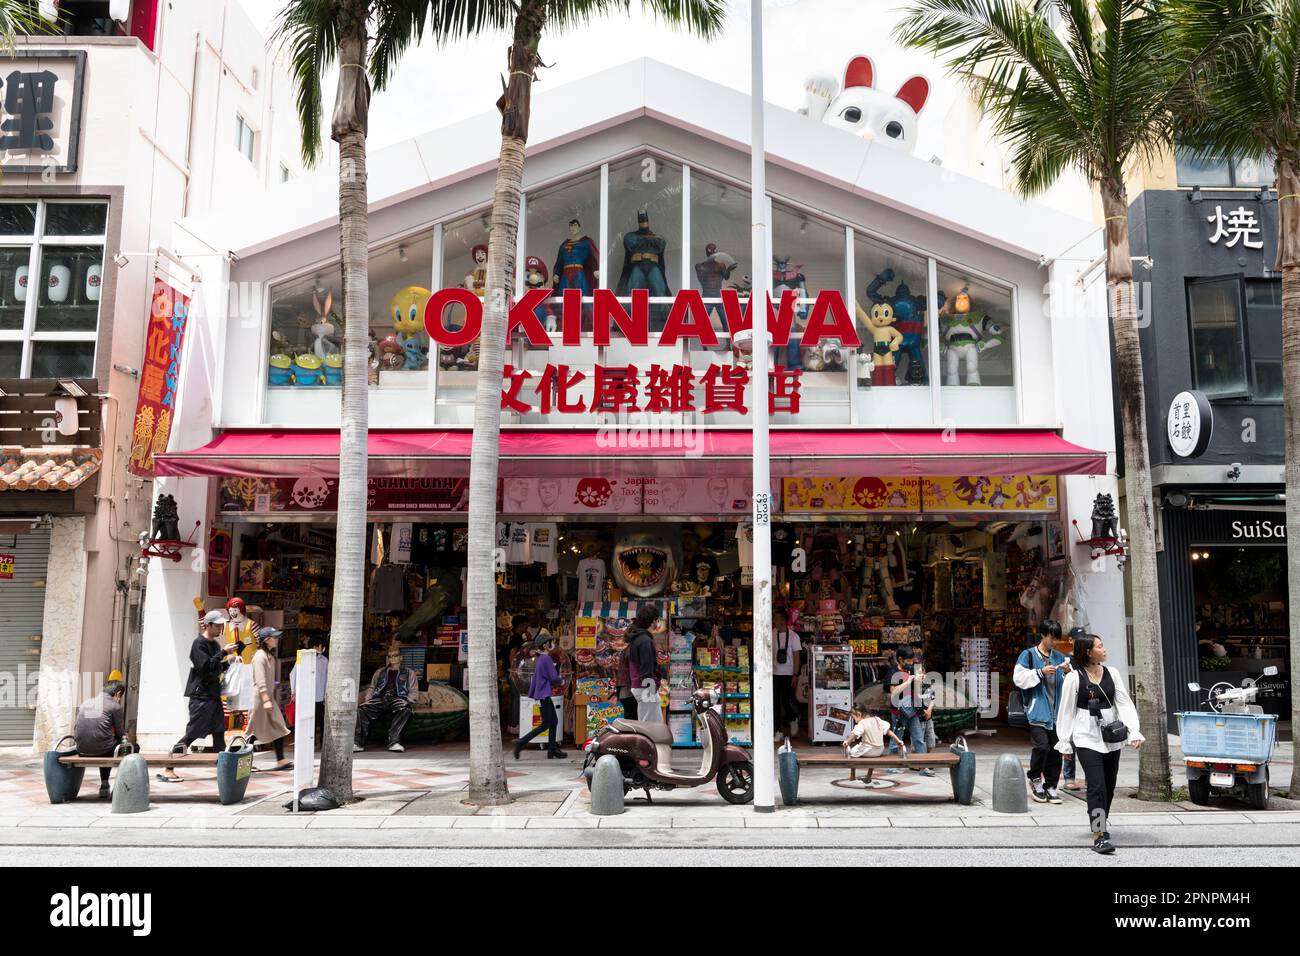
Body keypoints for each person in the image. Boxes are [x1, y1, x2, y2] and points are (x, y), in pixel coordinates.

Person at [1055, 633, 1144, 855]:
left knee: (1109, 786)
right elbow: (1065, 711)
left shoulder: (1112, 673)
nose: (1104, 649)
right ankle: (1099, 834)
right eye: (1100, 646)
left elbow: (1124, 703)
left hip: (1111, 737)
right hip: (1086, 736)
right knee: (1096, 786)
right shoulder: (1074, 678)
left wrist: (1134, 730)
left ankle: (1101, 823)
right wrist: (1065, 741)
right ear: (1088, 652)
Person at [159, 610, 241, 783]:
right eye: (217, 625)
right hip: (201, 697)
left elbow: (215, 668)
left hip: (213, 695)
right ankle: (168, 767)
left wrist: (227, 662)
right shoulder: (199, 644)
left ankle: (223, 770)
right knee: (192, 733)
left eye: (221, 625)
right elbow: (204, 669)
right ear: (208, 625)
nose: (220, 628)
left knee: (219, 732)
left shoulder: (216, 645)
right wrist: (223, 654)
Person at [1014, 619, 1070, 804]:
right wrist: (1040, 672)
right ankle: (1035, 780)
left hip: (1057, 713)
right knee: (1041, 747)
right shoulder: (1028, 655)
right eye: (1052, 638)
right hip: (1037, 711)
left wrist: (1068, 671)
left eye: (1056, 639)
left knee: (1056, 750)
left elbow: (1070, 683)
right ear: (1043, 635)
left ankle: (1051, 786)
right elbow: (1019, 679)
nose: (1054, 642)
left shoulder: (1060, 657)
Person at [354, 642, 420, 753]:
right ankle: (358, 743)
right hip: (379, 699)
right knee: (361, 709)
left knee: (405, 709)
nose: (392, 658)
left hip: (398, 699)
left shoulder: (409, 673)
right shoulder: (380, 672)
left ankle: (394, 742)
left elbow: (413, 691)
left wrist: (408, 701)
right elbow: (372, 687)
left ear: (400, 657)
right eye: (390, 656)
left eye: (395, 655)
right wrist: (369, 700)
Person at [514, 634, 566, 759]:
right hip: (544, 695)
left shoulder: (541, 658)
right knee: (546, 724)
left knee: (553, 721)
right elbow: (553, 677)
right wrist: (561, 681)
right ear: (544, 645)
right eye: (549, 642)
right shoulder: (546, 658)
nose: (551, 645)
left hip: (543, 694)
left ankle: (552, 750)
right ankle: (521, 742)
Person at [247, 627, 292, 770]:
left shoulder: (270, 657)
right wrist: (266, 699)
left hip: (267, 697)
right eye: (274, 637)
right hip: (261, 698)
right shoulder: (259, 656)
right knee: (254, 730)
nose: (277, 639)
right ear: (267, 640)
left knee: (278, 725)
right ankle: (245, 761)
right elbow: (260, 681)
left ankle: (281, 760)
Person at [73, 679, 126, 798]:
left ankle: (105, 785)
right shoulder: (115, 706)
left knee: (105, 743)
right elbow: (119, 733)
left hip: (81, 750)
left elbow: (76, 727)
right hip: (103, 751)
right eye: (120, 697)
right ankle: (119, 786)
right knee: (130, 747)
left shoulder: (85, 703)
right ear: (117, 694)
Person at [888, 645, 934, 776]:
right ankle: (893, 764)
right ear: (900, 659)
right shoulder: (892, 673)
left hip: (913, 710)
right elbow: (894, 692)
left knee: (919, 737)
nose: (910, 663)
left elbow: (921, 686)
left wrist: (921, 679)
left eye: (911, 660)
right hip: (898, 711)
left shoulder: (914, 668)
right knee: (897, 738)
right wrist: (909, 681)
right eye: (908, 661)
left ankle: (923, 766)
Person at [625, 604, 663, 722]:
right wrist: (651, 690)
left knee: (646, 722)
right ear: (653, 621)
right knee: (651, 726)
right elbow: (647, 668)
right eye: (658, 620)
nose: (658, 623)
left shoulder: (637, 638)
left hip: (639, 686)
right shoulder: (645, 640)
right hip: (646, 687)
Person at [289, 634, 329, 743]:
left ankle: (321, 742)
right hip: (306, 696)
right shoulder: (302, 657)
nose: (323, 648)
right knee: (308, 720)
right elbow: (293, 674)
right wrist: (294, 692)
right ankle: (308, 741)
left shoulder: (325, 660)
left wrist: (326, 695)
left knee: (320, 720)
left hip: (320, 696)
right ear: (315, 647)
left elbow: (327, 678)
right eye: (321, 646)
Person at [771, 609, 803, 742]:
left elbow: (796, 657)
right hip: (774, 673)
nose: (774, 621)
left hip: (789, 674)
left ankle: (793, 717)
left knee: (785, 700)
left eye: (776, 618)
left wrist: (795, 675)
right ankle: (778, 730)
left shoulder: (794, 636)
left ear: (783, 620)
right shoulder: (772, 633)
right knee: (775, 703)